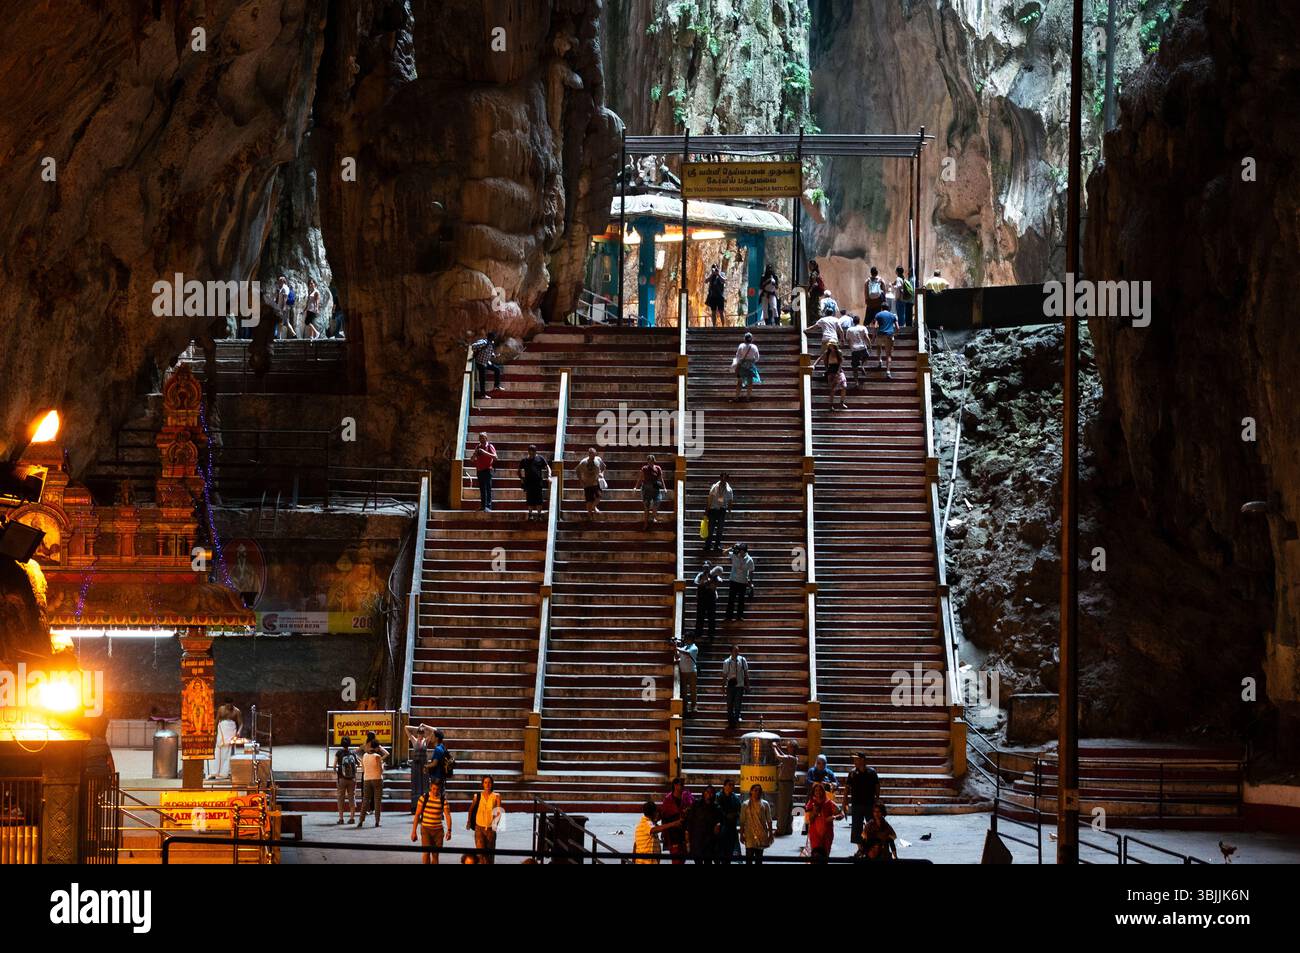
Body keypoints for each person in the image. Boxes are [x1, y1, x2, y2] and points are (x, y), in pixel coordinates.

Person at [411, 779, 451, 863]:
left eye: (437, 789)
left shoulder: (443, 800)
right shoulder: (423, 798)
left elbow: (447, 815)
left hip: (438, 831)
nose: (435, 791)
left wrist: (449, 830)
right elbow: (417, 815)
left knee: (435, 854)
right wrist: (414, 831)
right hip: (426, 829)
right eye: (433, 789)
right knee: (426, 853)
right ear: (430, 787)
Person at [846, 752, 880, 848]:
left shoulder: (872, 772)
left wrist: (877, 799)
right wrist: (845, 802)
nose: (854, 761)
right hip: (856, 804)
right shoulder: (852, 773)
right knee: (857, 828)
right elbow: (847, 788)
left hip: (869, 804)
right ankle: (860, 849)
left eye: (856, 759)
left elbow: (877, 786)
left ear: (862, 760)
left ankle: (871, 847)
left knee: (871, 826)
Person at [467, 775, 503, 864]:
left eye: (489, 782)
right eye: (485, 782)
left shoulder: (496, 796)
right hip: (479, 828)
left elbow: (498, 812)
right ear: (482, 784)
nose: (487, 785)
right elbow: (471, 809)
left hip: (490, 829)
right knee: (480, 854)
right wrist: (469, 821)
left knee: (489, 855)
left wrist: (495, 825)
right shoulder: (477, 796)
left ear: (492, 784)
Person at [805, 781, 843, 863]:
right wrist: (814, 813)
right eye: (816, 790)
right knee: (815, 857)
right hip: (814, 834)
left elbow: (842, 814)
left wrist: (834, 817)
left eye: (820, 790)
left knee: (825, 857)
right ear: (813, 792)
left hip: (827, 834)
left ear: (823, 791)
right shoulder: (810, 803)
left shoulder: (829, 803)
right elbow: (809, 821)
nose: (818, 792)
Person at [684, 784, 724, 864]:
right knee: (698, 861)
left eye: (711, 792)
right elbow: (690, 820)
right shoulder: (696, 805)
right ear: (704, 793)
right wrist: (688, 836)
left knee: (708, 861)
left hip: (710, 840)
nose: (709, 794)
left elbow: (721, 820)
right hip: (698, 839)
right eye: (707, 792)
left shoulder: (716, 807)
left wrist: (719, 824)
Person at [659, 778, 693, 864]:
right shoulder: (668, 799)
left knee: (683, 858)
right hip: (673, 833)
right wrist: (664, 832)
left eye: (683, 785)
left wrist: (688, 810)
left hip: (685, 833)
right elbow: (664, 816)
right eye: (681, 784)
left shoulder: (687, 797)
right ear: (675, 785)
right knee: (676, 859)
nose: (683, 786)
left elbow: (693, 809)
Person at [356, 738, 389, 828]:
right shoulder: (377, 757)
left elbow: (363, 769)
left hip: (367, 779)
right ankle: (377, 821)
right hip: (377, 779)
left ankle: (360, 821)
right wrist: (382, 765)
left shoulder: (365, 756)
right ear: (377, 747)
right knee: (377, 801)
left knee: (365, 800)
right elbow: (380, 770)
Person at [739, 783, 775, 863]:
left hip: (761, 833)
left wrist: (770, 833)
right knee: (749, 857)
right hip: (749, 834)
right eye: (755, 790)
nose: (757, 792)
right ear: (751, 791)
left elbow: (769, 820)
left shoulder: (765, 804)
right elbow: (742, 821)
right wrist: (741, 835)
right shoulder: (745, 805)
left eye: (759, 791)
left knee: (759, 858)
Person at [771, 738, 799, 835]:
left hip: (785, 784)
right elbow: (784, 755)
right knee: (788, 807)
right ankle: (787, 828)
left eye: (788, 746)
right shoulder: (793, 758)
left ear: (792, 748)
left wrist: (774, 747)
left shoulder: (790, 759)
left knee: (782, 807)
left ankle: (780, 829)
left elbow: (779, 756)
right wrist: (778, 748)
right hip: (788, 784)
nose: (787, 748)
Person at [208, 698, 241, 780]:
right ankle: (214, 773)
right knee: (218, 753)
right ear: (225, 704)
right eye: (227, 705)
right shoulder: (221, 709)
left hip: (231, 732)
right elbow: (216, 721)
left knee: (229, 753)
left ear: (232, 704)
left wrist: (238, 732)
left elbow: (241, 724)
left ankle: (226, 773)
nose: (228, 707)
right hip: (222, 731)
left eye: (230, 705)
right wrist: (213, 732)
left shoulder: (237, 711)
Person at [805, 301, 843, 371]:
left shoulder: (823, 319)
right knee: (836, 354)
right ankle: (837, 369)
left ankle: (826, 369)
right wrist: (842, 339)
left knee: (824, 355)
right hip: (834, 339)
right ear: (832, 313)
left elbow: (815, 326)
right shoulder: (836, 320)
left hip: (825, 338)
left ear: (825, 313)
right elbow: (841, 330)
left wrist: (807, 329)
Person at [693, 559, 725, 642]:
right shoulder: (700, 575)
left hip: (711, 599)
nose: (706, 568)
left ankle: (711, 635)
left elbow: (721, 580)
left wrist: (714, 582)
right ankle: (698, 634)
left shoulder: (714, 575)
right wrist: (703, 583)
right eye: (704, 567)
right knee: (700, 617)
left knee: (711, 617)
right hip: (702, 598)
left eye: (707, 567)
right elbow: (695, 582)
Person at [723, 542, 755, 624]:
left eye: (741, 551)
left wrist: (750, 583)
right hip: (733, 580)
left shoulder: (749, 560)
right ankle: (728, 617)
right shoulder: (735, 555)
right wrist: (732, 547)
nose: (740, 552)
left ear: (745, 551)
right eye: (739, 550)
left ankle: (739, 616)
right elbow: (724, 552)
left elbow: (751, 571)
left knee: (741, 600)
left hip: (743, 582)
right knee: (731, 600)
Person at [721, 643, 750, 729]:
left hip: (740, 685)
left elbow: (746, 673)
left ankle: (736, 721)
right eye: (735, 651)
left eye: (738, 651)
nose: (737, 653)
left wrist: (747, 684)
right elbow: (724, 675)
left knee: (738, 705)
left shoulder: (742, 660)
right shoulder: (727, 662)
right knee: (730, 705)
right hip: (730, 686)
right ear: (731, 652)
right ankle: (731, 723)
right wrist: (723, 687)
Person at [518, 444, 550, 521]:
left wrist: (549, 475)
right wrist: (521, 478)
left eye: (533, 452)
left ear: (536, 452)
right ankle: (530, 515)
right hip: (528, 483)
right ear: (528, 452)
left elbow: (547, 467)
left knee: (539, 500)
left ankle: (539, 516)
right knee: (530, 500)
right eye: (530, 452)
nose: (532, 453)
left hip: (538, 483)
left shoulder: (540, 458)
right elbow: (519, 471)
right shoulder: (524, 460)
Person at [574, 447, 606, 519]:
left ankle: (593, 507)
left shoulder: (598, 459)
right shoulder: (583, 462)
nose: (593, 457)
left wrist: (602, 474)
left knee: (599, 496)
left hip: (596, 482)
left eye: (594, 455)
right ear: (589, 454)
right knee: (589, 500)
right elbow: (577, 471)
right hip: (587, 483)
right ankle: (590, 514)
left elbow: (604, 467)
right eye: (592, 455)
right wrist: (581, 480)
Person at [634, 453, 665, 529]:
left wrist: (664, 488)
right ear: (647, 462)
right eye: (649, 461)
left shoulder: (658, 468)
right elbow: (640, 479)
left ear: (654, 461)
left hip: (655, 486)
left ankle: (654, 517)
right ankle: (646, 523)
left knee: (657, 501)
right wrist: (636, 487)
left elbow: (661, 479)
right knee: (646, 506)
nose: (651, 463)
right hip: (646, 487)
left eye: (652, 461)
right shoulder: (644, 468)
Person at [705, 472, 734, 551]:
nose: (723, 479)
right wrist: (707, 510)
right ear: (720, 478)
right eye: (722, 478)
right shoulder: (715, 487)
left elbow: (730, 500)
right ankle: (708, 544)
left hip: (722, 510)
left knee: (720, 529)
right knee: (710, 528)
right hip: (713, 509)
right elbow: (710, 498)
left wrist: (729, 510)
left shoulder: (729, 489)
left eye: (725, 478)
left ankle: (717, 545)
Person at [717, 778, 743, 863]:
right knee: (720, 849)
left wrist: (734, 815)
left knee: (730, 849)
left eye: (733, 785)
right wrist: (726, 815)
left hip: (731, 827)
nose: (731, 787)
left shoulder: (734, 797)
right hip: (721, 826)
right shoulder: (718, 796)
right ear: (724, 786)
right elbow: (717, 809)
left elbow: (739, 810)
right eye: (729, 785)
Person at [334, 736, 359, 824]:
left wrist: (337, 769)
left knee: (341, 798)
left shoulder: (339, 753)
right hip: (352, 779)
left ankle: (341, 819)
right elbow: (358, 764)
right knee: (352, 797)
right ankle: (352, 818)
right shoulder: (352, 753)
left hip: (341, 778)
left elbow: (334, 766)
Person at [471, 331, 503, 398]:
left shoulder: (491, 344)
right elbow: (473, 346)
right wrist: (476, 351)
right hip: (480, 363)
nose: (494, 339)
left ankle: (496, 386)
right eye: (494, 337)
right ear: (491, 337)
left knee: (497, 369)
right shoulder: (484, 342)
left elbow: (490, 353)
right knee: (482, 379)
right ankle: (483, 395)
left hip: (486, 362)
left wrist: (495, 355)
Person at [845, 313, 872, 389]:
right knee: (866, 356)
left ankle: (856, 382)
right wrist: (870, 345)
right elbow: (866, 337)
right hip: (862, 347)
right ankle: (862, 365)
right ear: (859, 321)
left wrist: (851, 347)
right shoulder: (863, 328)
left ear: (853, 321)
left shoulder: (849, 329)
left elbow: (848, 340)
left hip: (854, 349)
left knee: (854, 367)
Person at [674, 633, 700, 715]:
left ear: (691, 639)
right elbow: (677, 656)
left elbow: (687, 653)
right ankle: (685, 707)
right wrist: (675, 649)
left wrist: (676, 648)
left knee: (693, 690)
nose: (685, 639)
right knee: (684, 691)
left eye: (686, 638)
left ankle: (694, 706)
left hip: (692, 671)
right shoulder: (684, 647)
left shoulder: (694, 648)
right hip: (683, 672)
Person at [731, 332, 760, 402]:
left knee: (739, 382)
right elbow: (757, 358)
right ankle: (748, 398)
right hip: (750, 366)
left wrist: (738, 363)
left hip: (742, 366)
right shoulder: (754, 346)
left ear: (744, 339)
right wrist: (752, 360)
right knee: (750, 382)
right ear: (751, 339)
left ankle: (736, 397)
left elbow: (737, 356)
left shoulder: (741, 345)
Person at [472, 432, 497, 512]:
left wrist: (484, 452)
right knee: (482, 489)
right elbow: (472, 459)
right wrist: (475, 454)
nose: (481, 439)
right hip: (479, 470)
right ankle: (483, 506)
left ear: (486, 438)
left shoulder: (490, 446)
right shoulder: (478, 447)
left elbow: (495, 457)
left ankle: (488, 507)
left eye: (483, 437)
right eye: (480, 437)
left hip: (487, 470)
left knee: (488, 488)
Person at [874, 301, 898, 380]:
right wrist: (895, 334)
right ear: (888, 308)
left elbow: (875, 326)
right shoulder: (893, 316)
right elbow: (897, 327)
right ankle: (888, 372)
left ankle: (880, 361)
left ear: (881, 308)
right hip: (889, 336)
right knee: (888, 354)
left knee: (878, 347)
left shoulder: (878, 314)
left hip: (880, 334)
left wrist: (874, 336)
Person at [826, 341, 848, 411]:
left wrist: (838, 371)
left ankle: (841, 402)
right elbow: (820, 358)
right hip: (831, 370)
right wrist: (814, 365)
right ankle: (830, 405)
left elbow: (841, 361)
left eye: (831, 345)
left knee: (844, 386)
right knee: (833, 389)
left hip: (838, 369)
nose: (830, 346)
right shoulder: (827, 352)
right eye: (829, 345)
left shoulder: (839, 352)